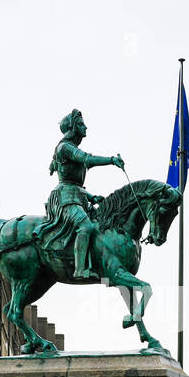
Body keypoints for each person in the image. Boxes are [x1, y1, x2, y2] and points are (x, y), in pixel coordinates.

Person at [34, 109, 125, 280]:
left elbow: (76, 183)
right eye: (82, 124)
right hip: (64, 198)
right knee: (86, 227)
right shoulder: (65, 148)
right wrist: (111, 160)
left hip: (76, 195)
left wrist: (91, 197)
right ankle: (80, 269)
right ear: (73, 128)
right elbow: (86, 160)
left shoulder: (69, 148)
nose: (86, 128)